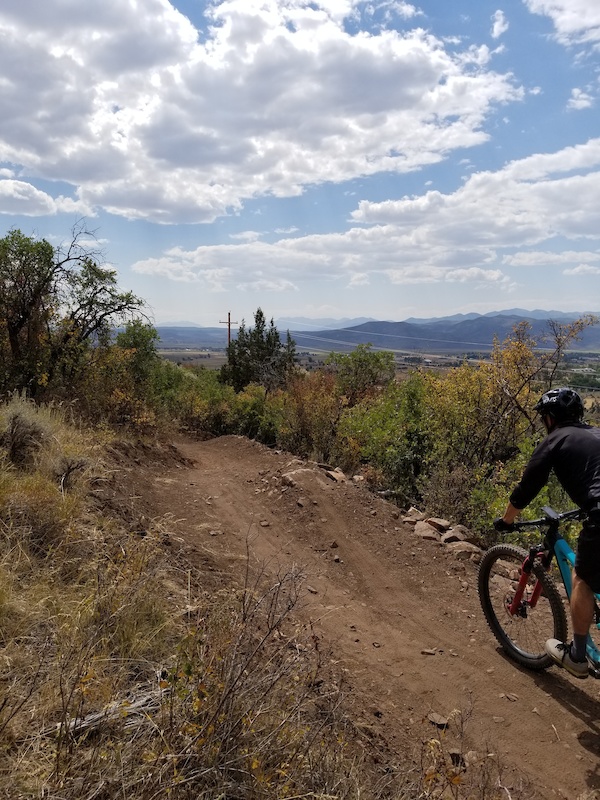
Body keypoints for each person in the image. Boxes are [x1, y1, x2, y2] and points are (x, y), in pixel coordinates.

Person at [494, 387, 600, 679]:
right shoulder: (596, 432)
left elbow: (527, 487)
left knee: (583, 578)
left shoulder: (555, 440)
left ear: (550, 418)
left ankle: (577, 656)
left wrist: (506, 520)